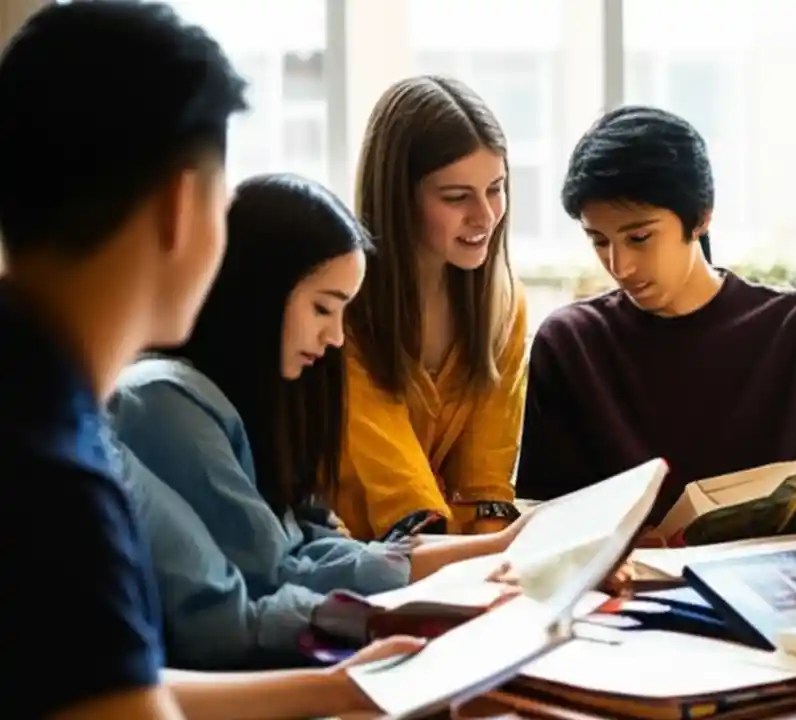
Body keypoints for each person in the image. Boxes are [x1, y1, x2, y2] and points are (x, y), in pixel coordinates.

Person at [0, 3, 421, 719]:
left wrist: (342, 684)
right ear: (180, 207)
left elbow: (107, 683)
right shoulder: (54, 472)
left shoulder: (42, 404)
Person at [109, 174, 528, 670]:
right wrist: (408, 616)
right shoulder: (163, 401)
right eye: (323, 308)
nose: (335, 338)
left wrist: (491, 552)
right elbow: (273, 577)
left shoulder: (256, 401)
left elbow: (317, 544)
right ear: (258, 294)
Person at [515, 106, 796, 519]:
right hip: (620, 584)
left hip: (775, 579)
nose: (619, 265)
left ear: (701, 218)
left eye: (640, 237)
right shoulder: (570, 343)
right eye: (598, 240)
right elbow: (546, 524)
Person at [337, 75, 528, 541]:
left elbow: (485, 483)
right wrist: (479, 559)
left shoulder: (503, 304)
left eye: (496, 188)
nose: (485, 216)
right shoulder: (341, 306)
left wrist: (498, 558)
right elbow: (403, 499)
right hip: (344, 558)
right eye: (456, 197)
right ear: (399, 198)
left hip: (443, 554)